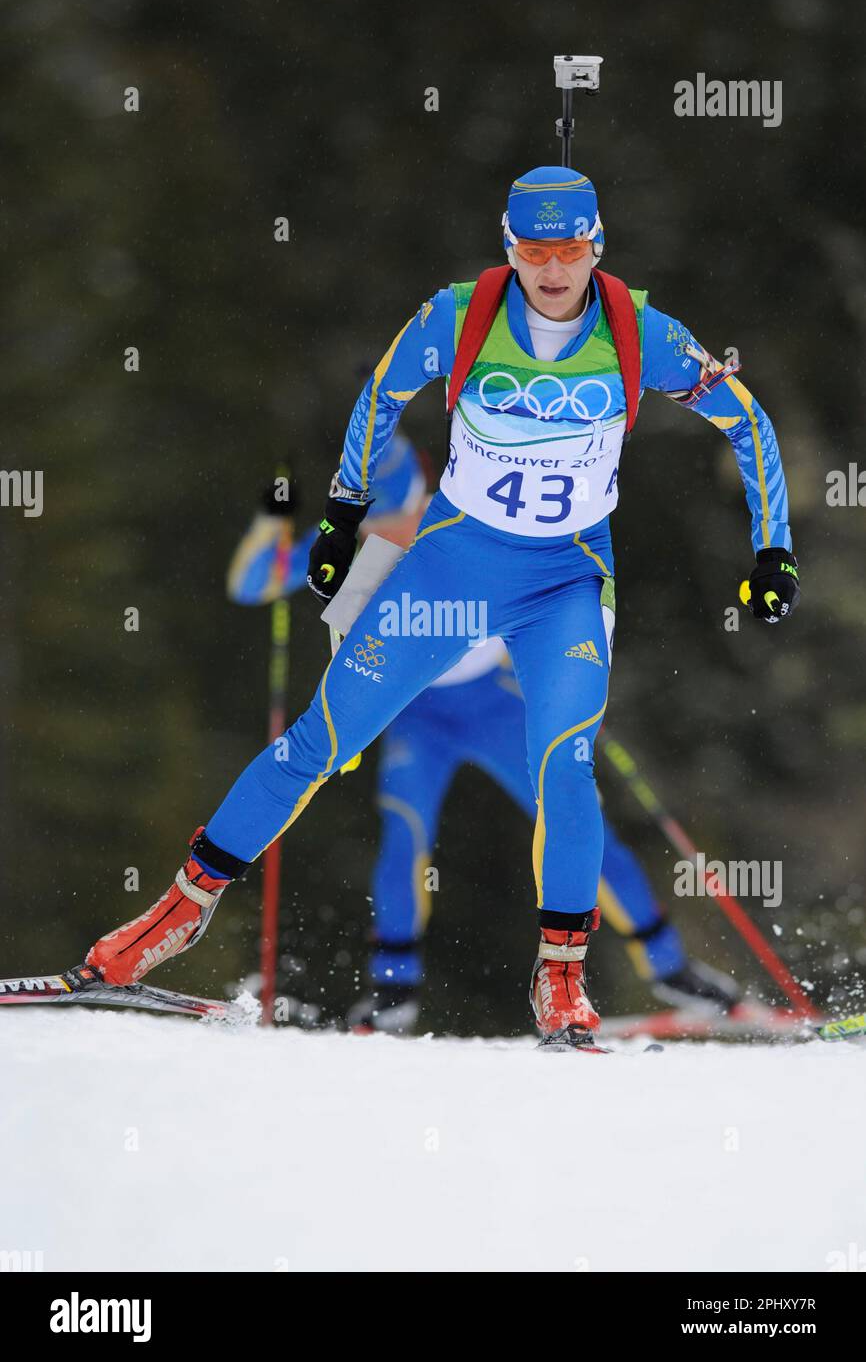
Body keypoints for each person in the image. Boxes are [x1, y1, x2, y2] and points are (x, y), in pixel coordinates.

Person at [80, 165, 800, 1050]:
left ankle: (563, 983)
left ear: (596, 247)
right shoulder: (459, 317)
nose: (551, 269)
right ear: (509, 246)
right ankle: (169, 922)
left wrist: (773, 549)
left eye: (569, 249)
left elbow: (748, 422)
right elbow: (383, 391)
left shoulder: (640, 334)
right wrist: (344, 514)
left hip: (564, 583)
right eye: (534, 250)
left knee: (565, 765)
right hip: (450, 572)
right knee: (317, 742)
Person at [228, 435, 743, 1033]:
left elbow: (414, 517)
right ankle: (395, 990)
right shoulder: (357, 527)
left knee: (573, 816)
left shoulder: (439, 507)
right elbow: (251, 583)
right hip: (419, 713)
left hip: (497, 704)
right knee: (405, 833)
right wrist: (273, 526)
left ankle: (669, 968)